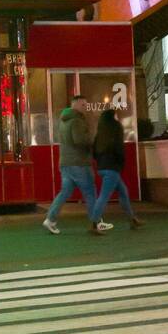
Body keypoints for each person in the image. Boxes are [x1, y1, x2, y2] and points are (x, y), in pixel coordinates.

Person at [43, 95, 114, 236]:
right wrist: (93, 142)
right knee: (90, 192)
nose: (85, 108)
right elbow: (80, 140)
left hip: (66, 163)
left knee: (65, 192)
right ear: (75, 105)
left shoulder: (64, 120)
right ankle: (97, 222)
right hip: (80, 163)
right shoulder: (77, 121)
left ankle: (50, 219)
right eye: (83, 105)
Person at [91, 108, 143, 230]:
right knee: (104, 196)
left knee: (123, 192)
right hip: (112, 167)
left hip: (102, 167)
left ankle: (132, 219)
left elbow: (94, 151)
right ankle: (94, 222)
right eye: (116, 116)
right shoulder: (116, 128)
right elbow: (119, 149)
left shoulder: (100, 132)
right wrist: (121, 163)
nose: (117, 118)